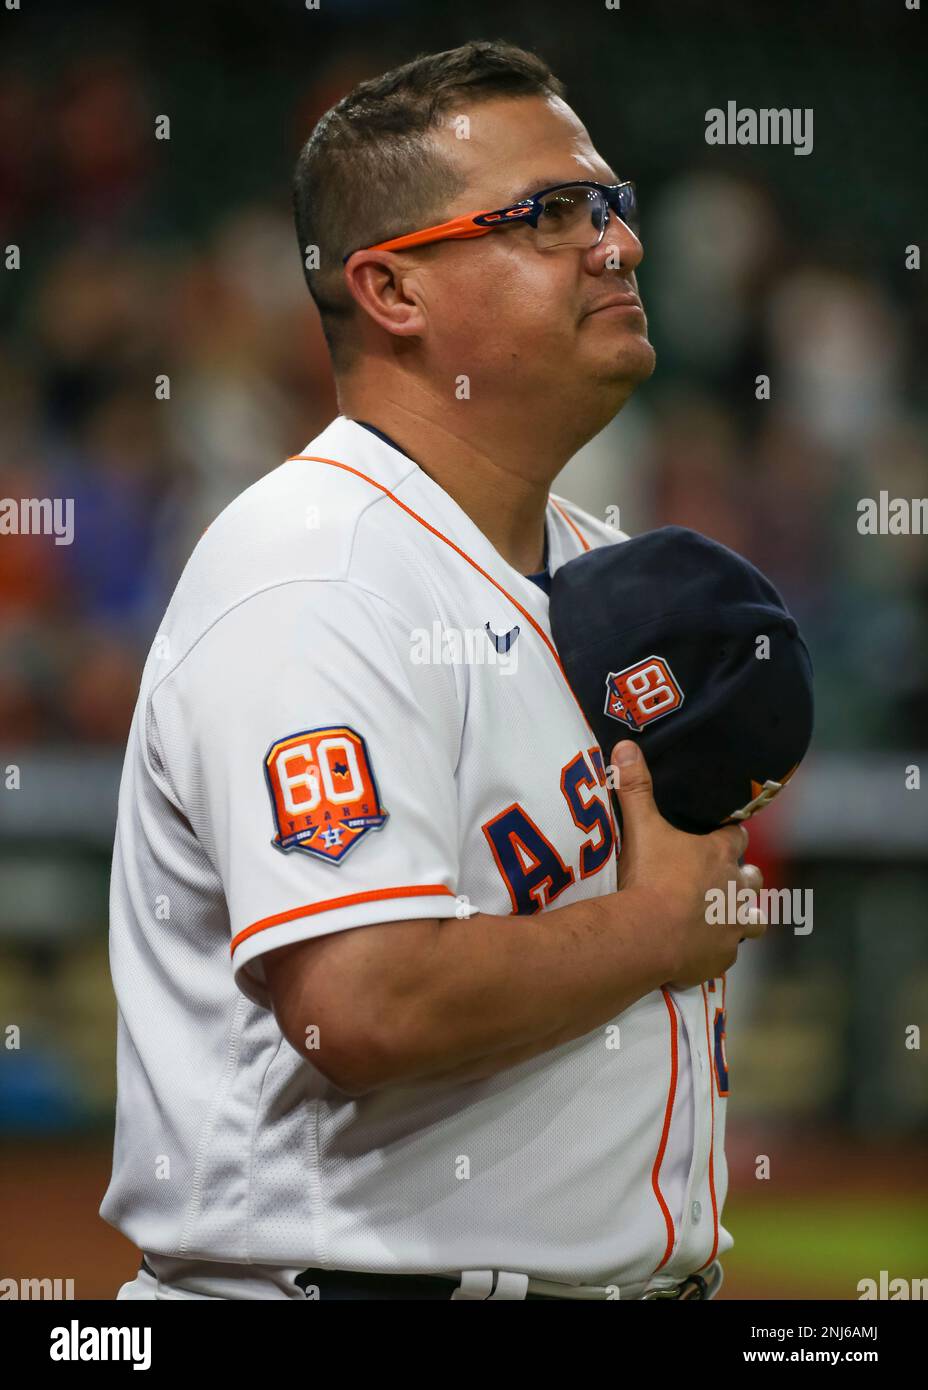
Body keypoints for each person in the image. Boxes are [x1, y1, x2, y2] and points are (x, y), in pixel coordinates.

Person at [103, 38, 764, 1302]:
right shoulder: (318, 573)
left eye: (610, 205)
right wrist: (652, 925)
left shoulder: (589, 562)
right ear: (393, 291)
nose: (616, 244)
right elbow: (361, 1003)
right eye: (550, 213)